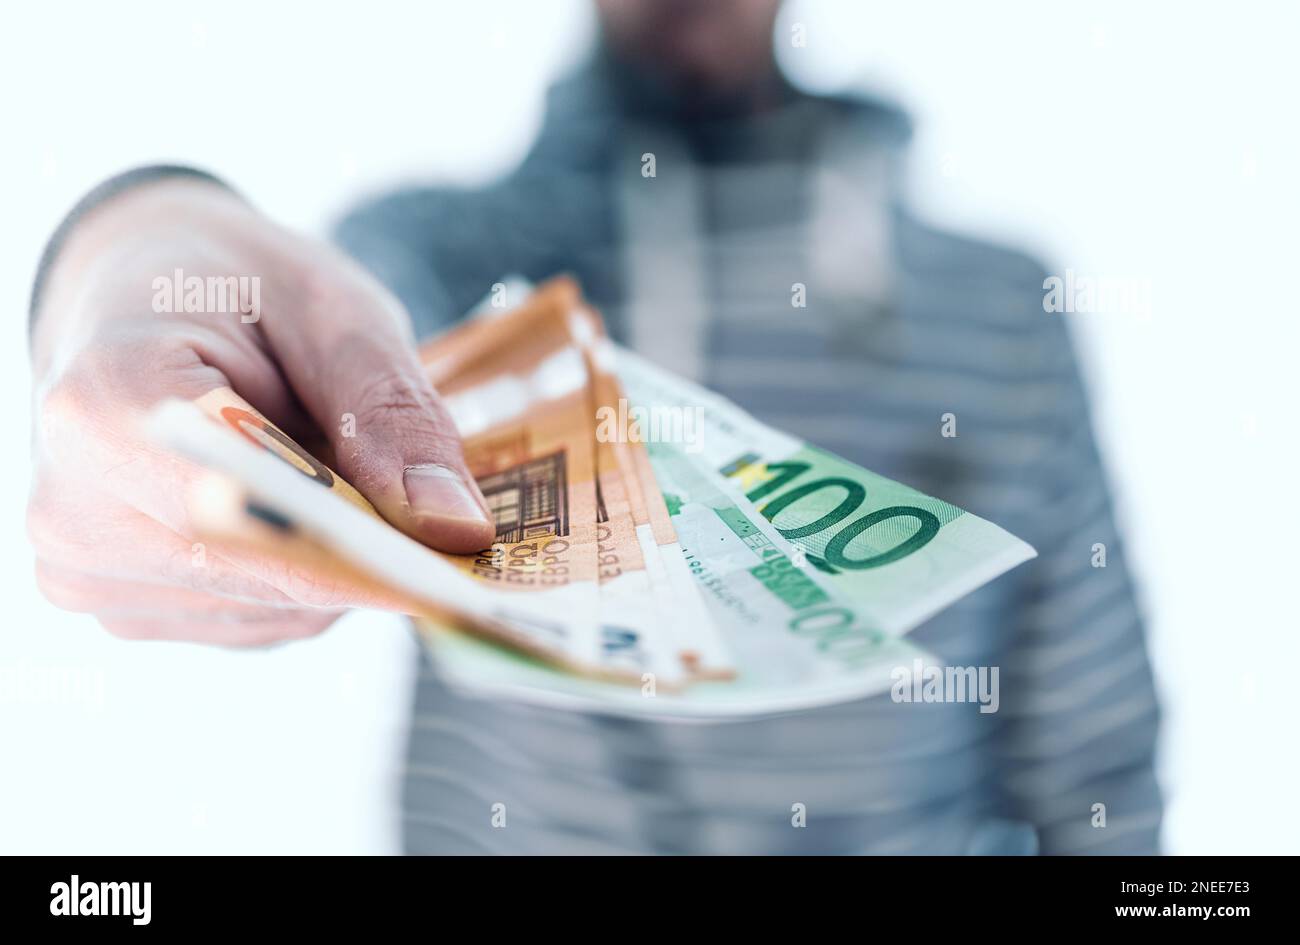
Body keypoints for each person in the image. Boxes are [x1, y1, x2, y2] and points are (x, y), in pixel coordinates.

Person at [27, 0, 1160, 853]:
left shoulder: (1007, 307)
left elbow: (1093, 752)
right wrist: (130, 235)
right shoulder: (459, 256)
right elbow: (307, 299)